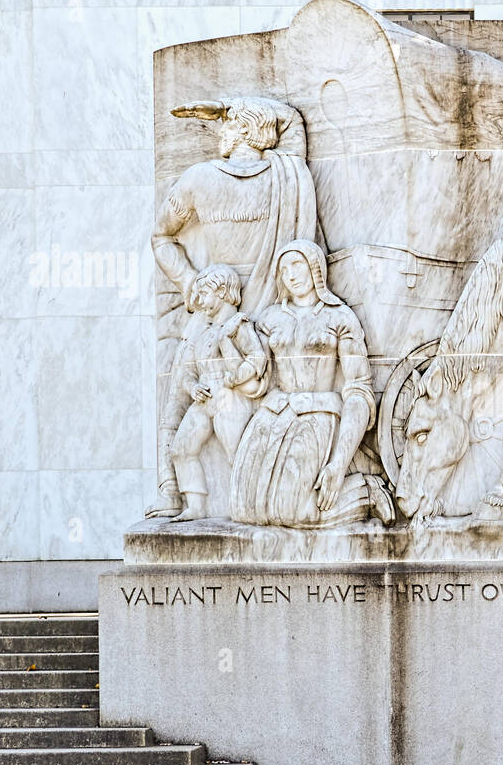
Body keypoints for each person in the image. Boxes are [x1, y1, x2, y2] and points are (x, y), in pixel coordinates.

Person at [146, 95, 321, 518]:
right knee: (185, 407)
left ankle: (197, 495)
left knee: (186, 409)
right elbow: (292, 120)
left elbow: (161, 238)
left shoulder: (269, 174)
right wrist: (194, 284)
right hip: (234, 311)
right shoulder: (284, 172)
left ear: (243, 129)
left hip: (250, 316)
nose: (220, 128)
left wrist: (224, 104)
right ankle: (190, 495)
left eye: (227, 122)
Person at [230, 240, 377, 527]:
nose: (291, 275)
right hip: (272, 416)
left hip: (318, 415)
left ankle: (365, 491)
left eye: (297, 265)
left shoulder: (340, 317)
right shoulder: (270, 318)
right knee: (244, 508)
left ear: (315, 268)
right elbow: (257, 377)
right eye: (284, 270)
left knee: (294, 510)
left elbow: (359, 389)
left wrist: (339, 463)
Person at [161, 264, 267, 521]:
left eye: (204, 294)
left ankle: (247, 507)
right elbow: (188, 372)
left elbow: (257, 358)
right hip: (205, 398)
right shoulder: (202, 333)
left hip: (230, 398)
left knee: (236, 455)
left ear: (221, 292)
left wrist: (236, 377)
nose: (199, 302)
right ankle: (196, 506)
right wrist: (192, 387)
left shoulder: (238, 325)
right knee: (181, 448)